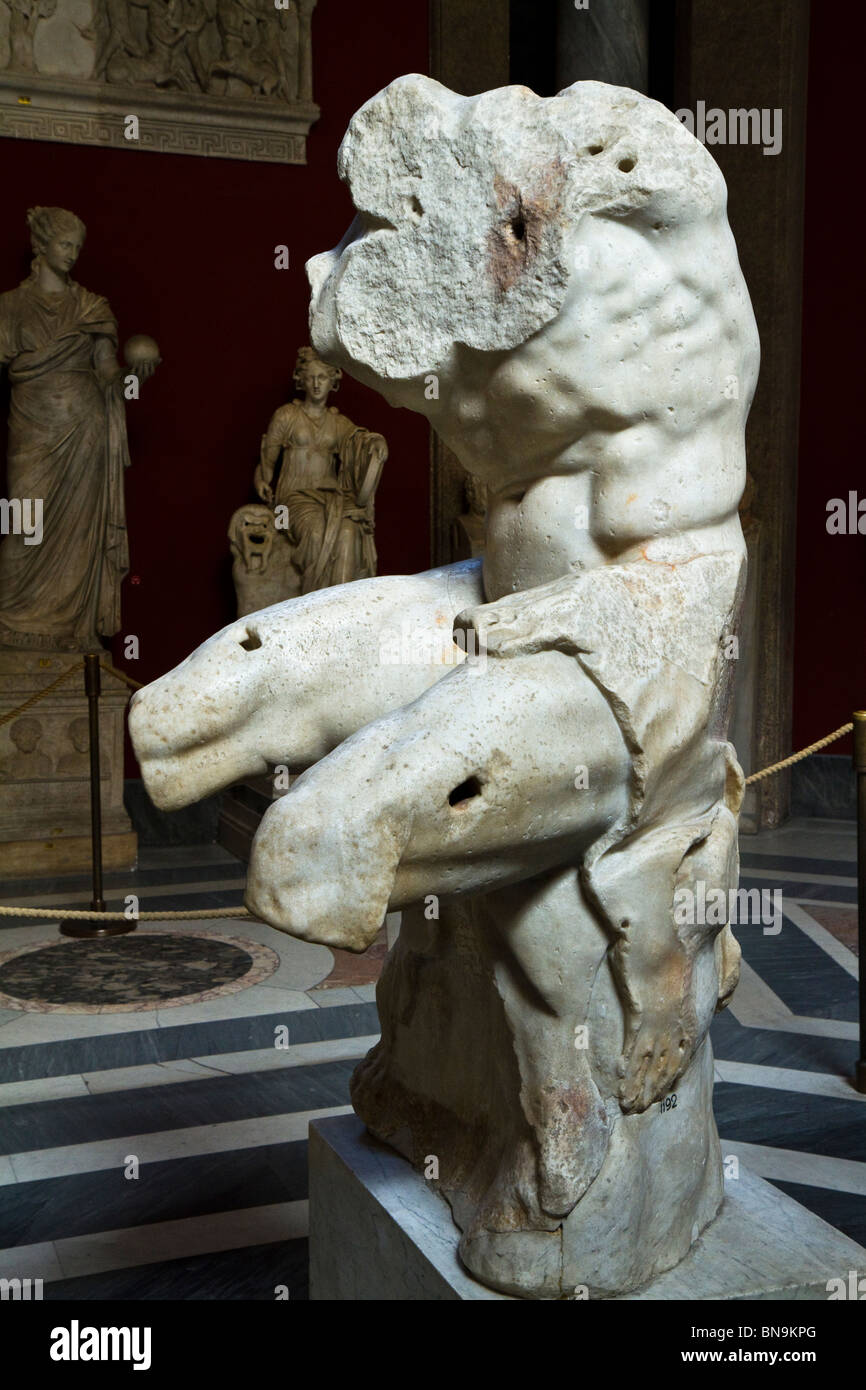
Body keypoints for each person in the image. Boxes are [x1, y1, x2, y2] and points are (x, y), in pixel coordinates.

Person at [0, 207, 157, 651]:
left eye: (76, 248)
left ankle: (71, 630)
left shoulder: (91, 307)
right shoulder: (9, 307)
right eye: (63, 245)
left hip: (86, 431)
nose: (71, 254)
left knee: (79, 533)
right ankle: (10, 621)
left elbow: (111, 379)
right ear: (41, 245)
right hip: (32, 431)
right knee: (23, 523)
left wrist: (135, 374)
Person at [254, 346, 387, 593]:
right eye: (311, 377)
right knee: (315, 531)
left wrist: (376, 441)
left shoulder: (338, 422)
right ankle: (313, 605)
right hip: (290, 500)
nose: (316, 384)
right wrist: (262, 481)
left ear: (332, 382)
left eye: (322, 378)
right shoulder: (286, 416)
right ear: (301, 380)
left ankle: (341, 606)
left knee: (349, 532)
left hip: (330, 498)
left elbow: (360, 441)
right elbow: (267, 460)